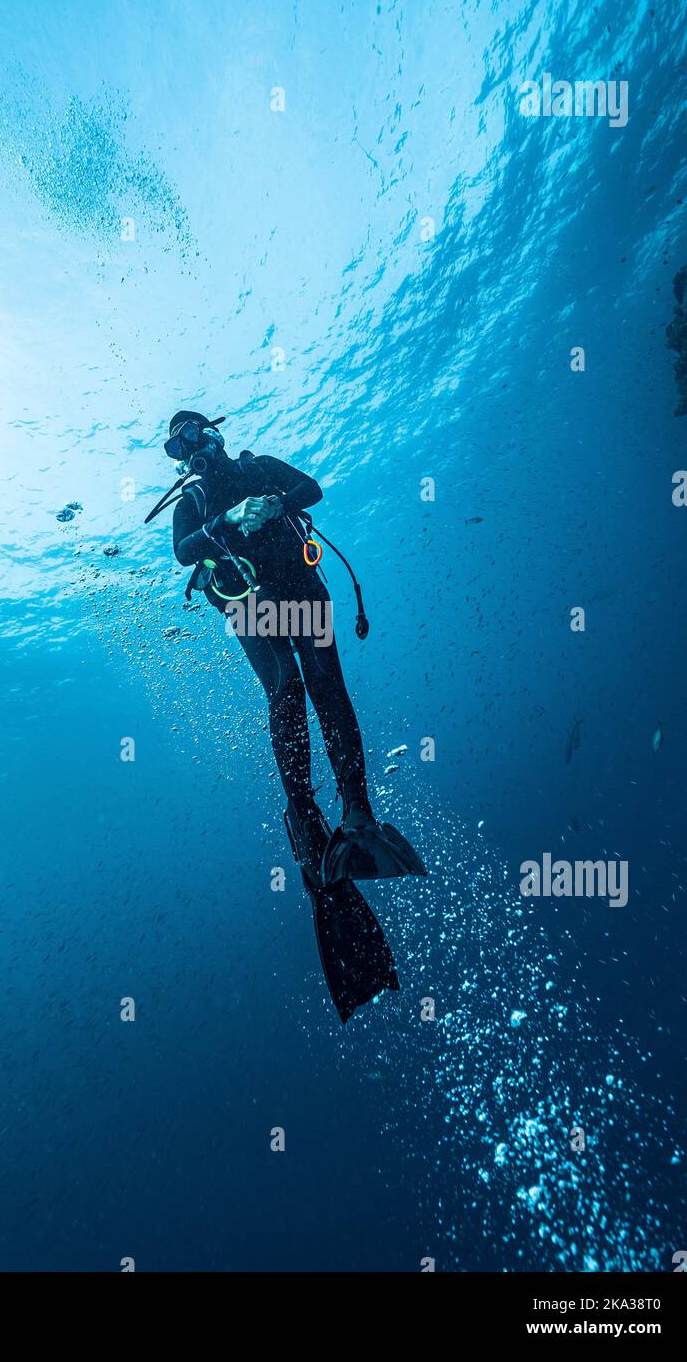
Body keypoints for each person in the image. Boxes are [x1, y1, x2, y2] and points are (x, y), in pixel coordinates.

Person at [146, 410, 426, 1019]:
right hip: (250, 604)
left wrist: (269, 499)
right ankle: (305, 817)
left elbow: (312, 489)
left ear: (215, 435)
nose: (190, 452)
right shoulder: (189, 502)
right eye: (178, 448)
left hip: (302, 590)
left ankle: (356, 812)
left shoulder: (258, 467)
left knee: (327, 686)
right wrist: (227, 517)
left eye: (196, 436)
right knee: (286, 692)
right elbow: (182, 552)